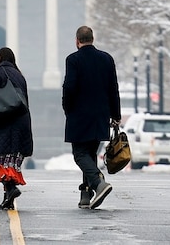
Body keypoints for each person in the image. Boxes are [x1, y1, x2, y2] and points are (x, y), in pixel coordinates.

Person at [61, 24, 120, 209]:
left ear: (77, 41)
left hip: (79, 114)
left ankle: (98, 183)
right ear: (92, 39)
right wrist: (115, 114)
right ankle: (85, 195)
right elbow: (113, 89)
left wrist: (67, 108)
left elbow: (69, 87)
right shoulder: (106, 59)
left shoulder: (73, 60)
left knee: (80, 154)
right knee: (90, 154)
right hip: (100, 115)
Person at [0, 46, 34, 210]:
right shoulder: (20, 75)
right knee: (10, 161)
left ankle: (10, 189)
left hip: (3, 121)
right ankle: (8, 199)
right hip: (22, 123)